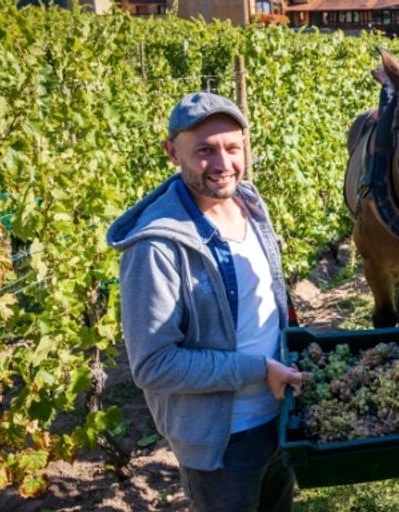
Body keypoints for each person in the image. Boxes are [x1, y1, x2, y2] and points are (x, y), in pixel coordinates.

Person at [107, 92, 303, 512]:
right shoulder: (156, 247)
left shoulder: (249, 202)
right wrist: (257, 368)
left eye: (233, 148)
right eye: (204, 151)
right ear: (172, 152)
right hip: (222, 444)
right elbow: (153, 365)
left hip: (281, 418)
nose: (222, 163)